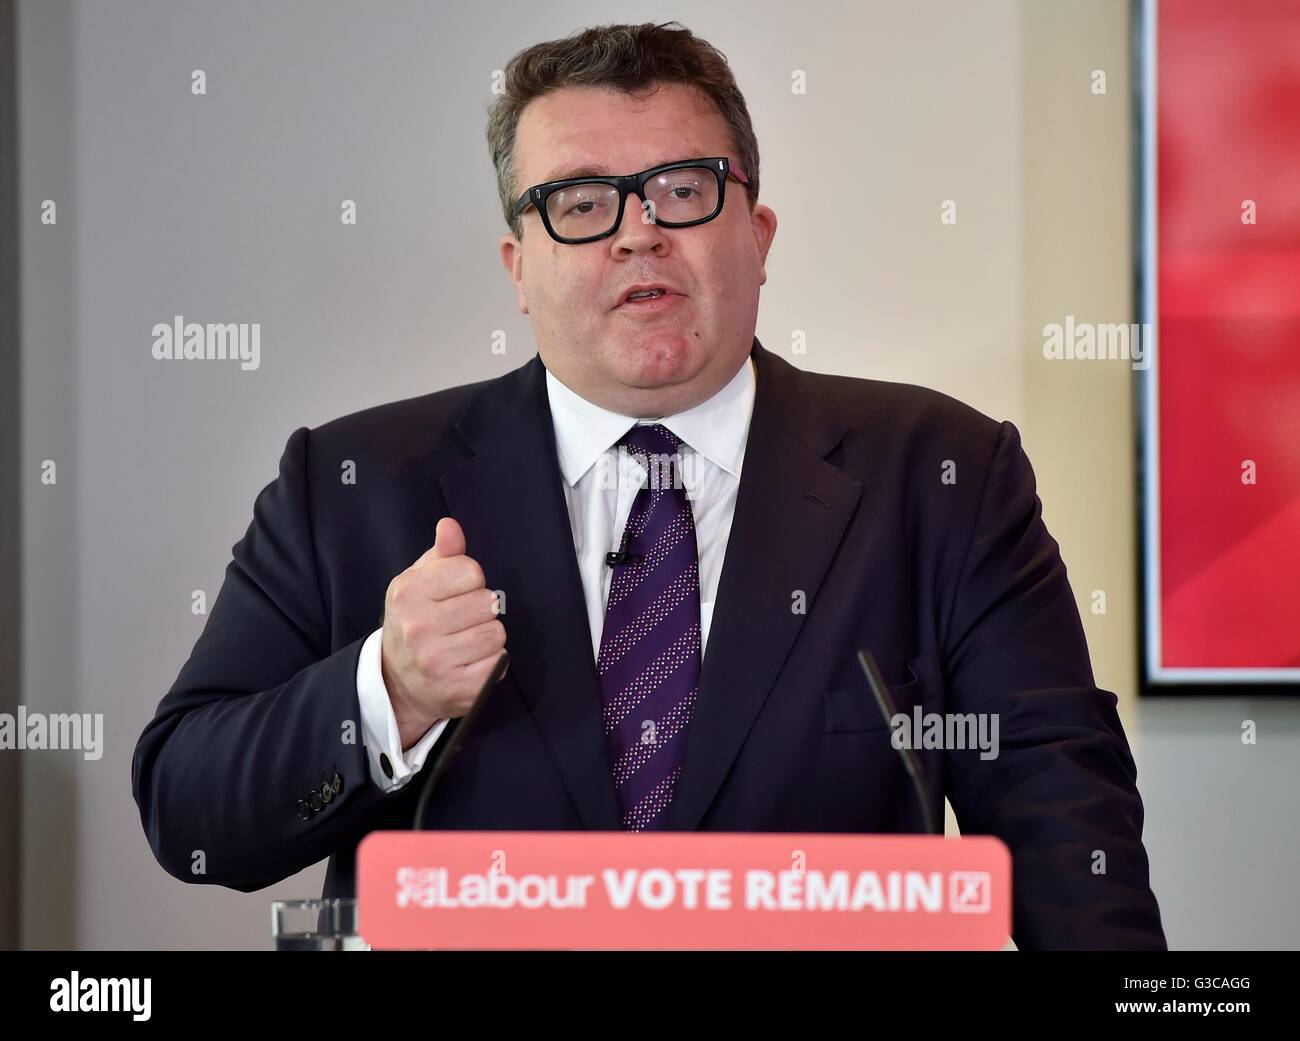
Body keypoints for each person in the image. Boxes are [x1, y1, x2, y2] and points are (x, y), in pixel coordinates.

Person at [132, 20, 1166, 950]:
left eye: (682, 188)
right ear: (518, 267)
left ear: (757, 238)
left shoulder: (941, 473)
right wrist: (387, 691)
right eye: (579, 202)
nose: (637, 231)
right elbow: (189, 817)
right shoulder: (353, 484)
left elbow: (1064, 822)